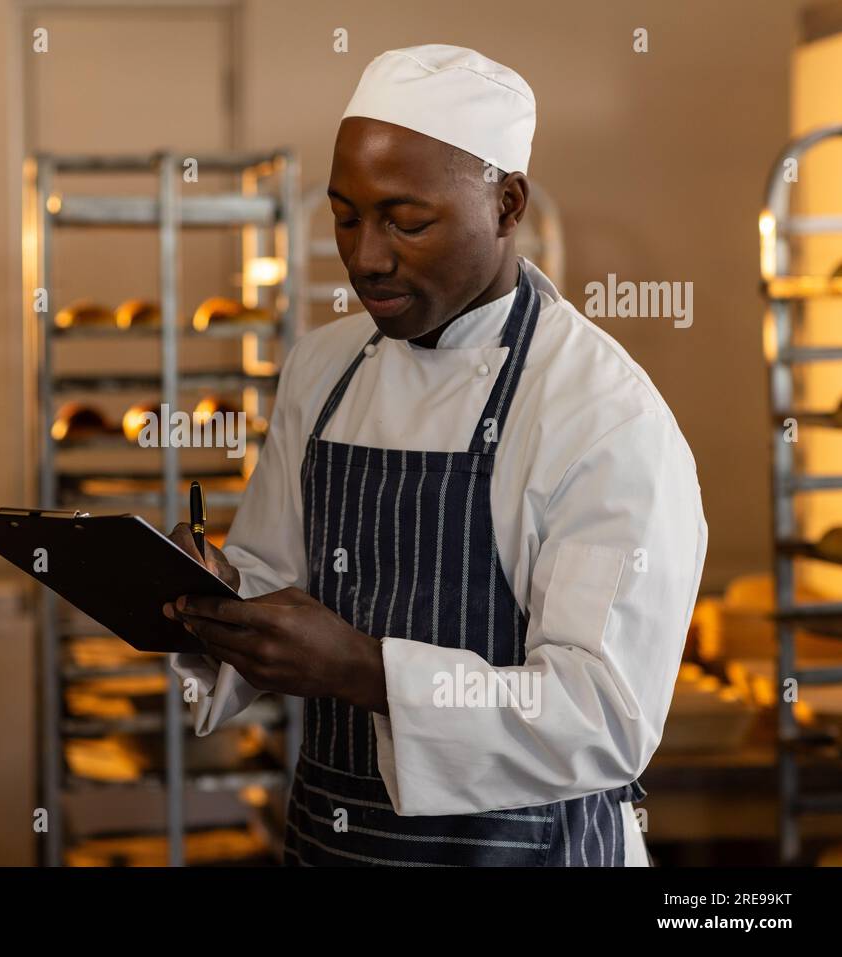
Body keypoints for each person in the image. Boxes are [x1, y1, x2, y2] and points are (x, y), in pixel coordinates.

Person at [163, 44, 707, 866]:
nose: (367, 257)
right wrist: (219, 596)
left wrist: (366, 670)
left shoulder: (601, 414)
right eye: (344, 216)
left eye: (406, 221)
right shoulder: (325, 369)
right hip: (334, 842)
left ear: (507, 203)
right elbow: (275, 580)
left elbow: (603, 717)